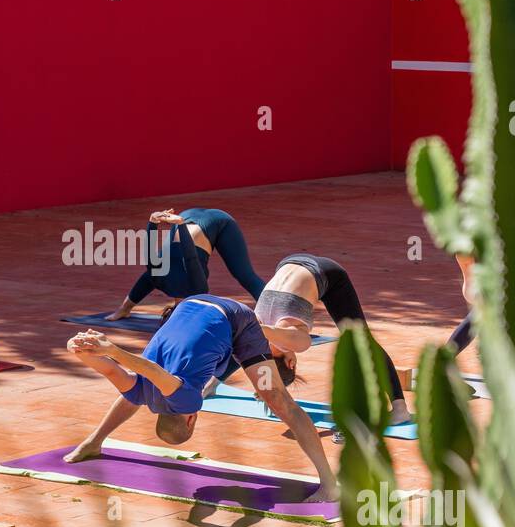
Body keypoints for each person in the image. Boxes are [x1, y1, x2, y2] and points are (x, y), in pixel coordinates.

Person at [65, 294, 337, 501]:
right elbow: (111, 370)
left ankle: (329, 484)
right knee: (135, 390)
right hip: (192, 303)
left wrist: (111, 348)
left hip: (237, 320)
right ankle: (93, 442)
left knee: (277, 398)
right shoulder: (140, 392)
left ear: (191, 420)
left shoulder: (186, 402)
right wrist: (80, 350)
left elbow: (153, 370)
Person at [229, 253, 411, 425]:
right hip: (289, 264)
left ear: (291, 363)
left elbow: (275, 340)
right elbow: (241, 354)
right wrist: (264, 385)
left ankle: (400, 409)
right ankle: (398, 406)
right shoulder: (253, 340)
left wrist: (270, 388)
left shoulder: (296, 342)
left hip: (327, 274)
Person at [107, 207, 265, 319]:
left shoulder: (195, 289)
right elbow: (151, 259)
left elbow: (189, 257)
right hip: (187, 219)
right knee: (242, 274)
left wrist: (156, 221)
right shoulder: (163, 280)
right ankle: (124, 310)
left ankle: (272, 308)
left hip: (216, 220)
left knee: (244, 275)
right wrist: (153, 222)